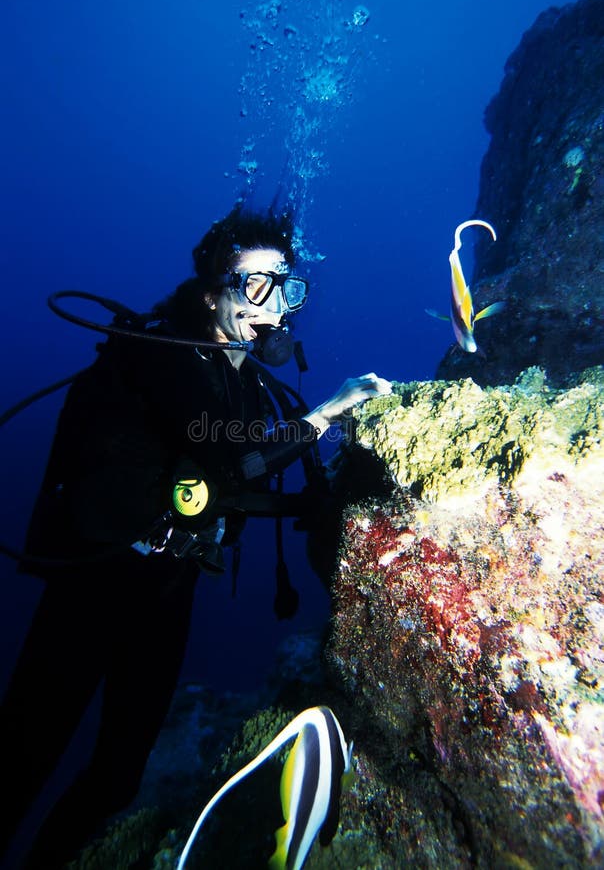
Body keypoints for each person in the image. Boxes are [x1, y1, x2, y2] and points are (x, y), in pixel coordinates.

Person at [0, 203, 391, 868]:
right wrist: (326, 413)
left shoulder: (247, 384)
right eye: (254, 285)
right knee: (22, 758)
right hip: (96, 583)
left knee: (118, 775)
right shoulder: (167, 356)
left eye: (286, 286)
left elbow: (236, 487)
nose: (275, 304)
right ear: (214, 295)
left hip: (167, 590)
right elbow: (228, 456)